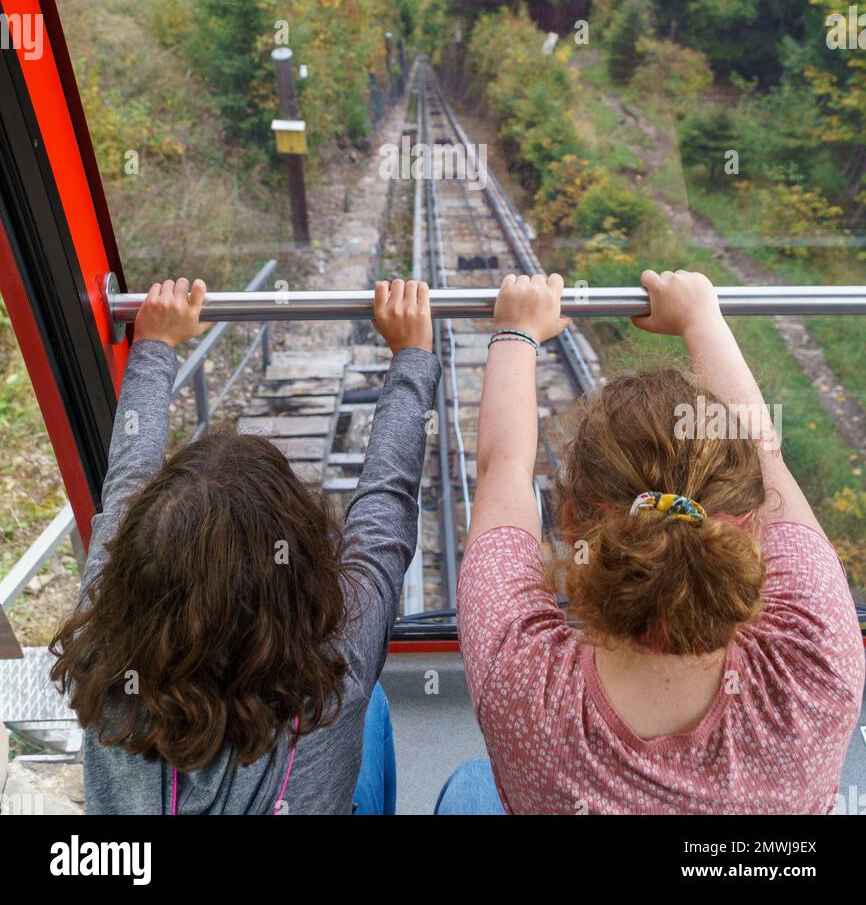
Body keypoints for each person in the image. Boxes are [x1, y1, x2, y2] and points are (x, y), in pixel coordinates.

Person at [438, 269, 865, 815]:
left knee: (470, 785)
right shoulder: (818, 663)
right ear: (751, 525)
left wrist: (517, 332)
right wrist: (702, 318)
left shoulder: (523, 688)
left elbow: (503, 470)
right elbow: (769, 457)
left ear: (571, 522)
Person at [51, 276, 439, 815]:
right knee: (368, 703)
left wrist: (152, 347)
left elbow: (123, 488)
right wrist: (412, 354)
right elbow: (387, 508)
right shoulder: (338, 665)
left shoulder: (102, 652)